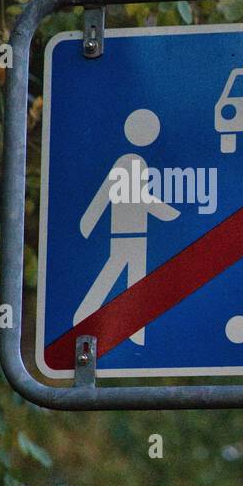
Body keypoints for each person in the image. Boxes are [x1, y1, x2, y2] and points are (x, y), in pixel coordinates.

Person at [73, 108, 179, 345]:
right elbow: (114, 194)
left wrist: (165, 212)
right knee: (114, 272)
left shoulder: (137, 162)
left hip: (139, 234)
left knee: (135, 282)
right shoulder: (129, 162)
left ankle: (135, 330)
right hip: (124, 233)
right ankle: (84, 314)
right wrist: (89, 220)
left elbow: (138, 196)